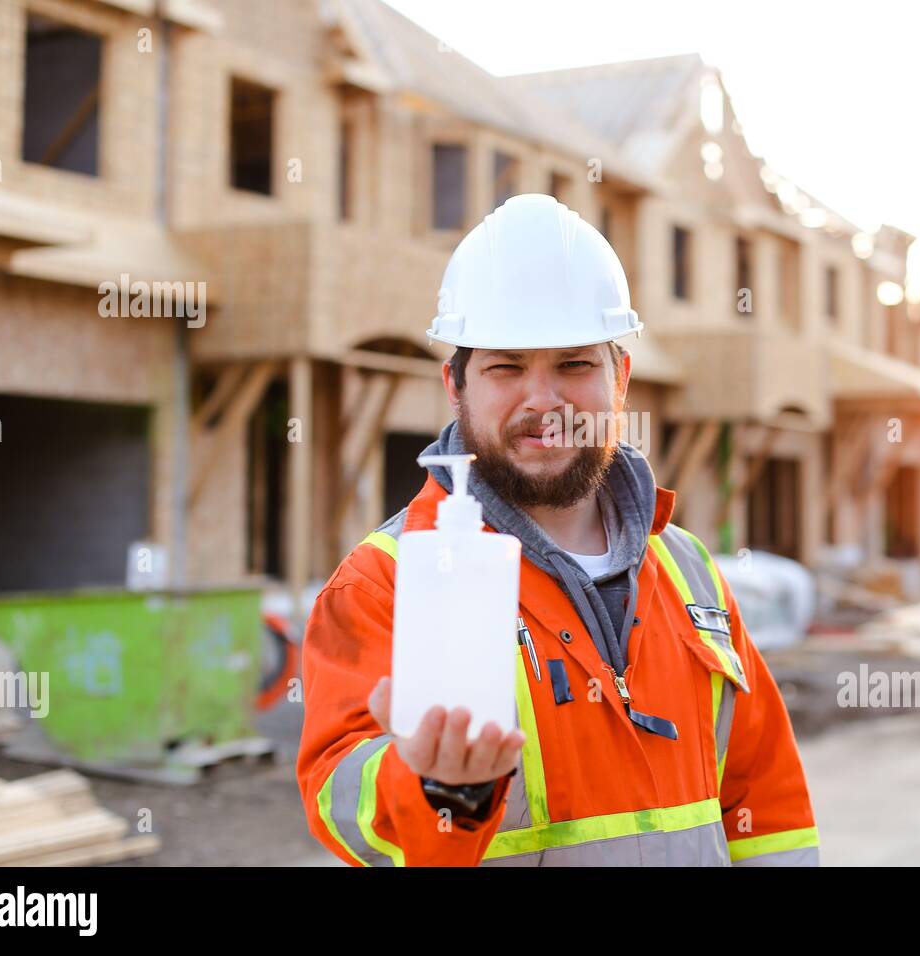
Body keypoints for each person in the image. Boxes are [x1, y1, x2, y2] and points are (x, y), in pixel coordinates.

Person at [297, 193, 820, 866]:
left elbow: (765, 802)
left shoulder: (686, 566)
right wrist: (441, 792)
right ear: (455, 387)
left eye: (574, 365)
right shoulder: (382, 584)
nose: (544, 401)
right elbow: (344, 811)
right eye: (506, 367)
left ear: (620, 378)